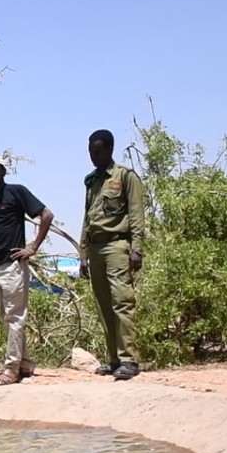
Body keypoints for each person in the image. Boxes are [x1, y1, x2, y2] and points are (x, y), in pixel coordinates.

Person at [0, 154, 54, 386]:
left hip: (12, 267)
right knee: (8, 319)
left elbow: (46, 215)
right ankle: (25, 364)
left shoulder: (17, 192)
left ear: (3, 171)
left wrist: (32, 247)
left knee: (15, 317)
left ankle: (11, 369)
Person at [79, 129, 147, 380]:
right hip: (95, 248)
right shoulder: (91, 181)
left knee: (122, 301)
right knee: (103, 305)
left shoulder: (125, 177)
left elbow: (137, 215)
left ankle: (129, 359)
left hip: (118, 245)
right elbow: (87, 218)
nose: (93, 156)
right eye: (90, 151)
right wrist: (83, 254)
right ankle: (114, 359)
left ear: (109, 150)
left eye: (97, 151)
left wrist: (136, 249)